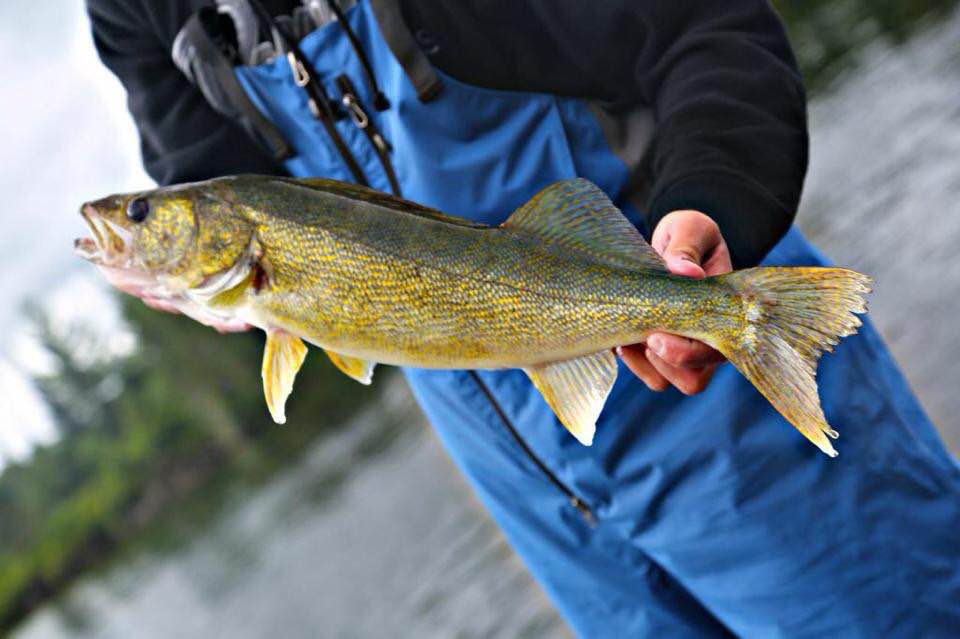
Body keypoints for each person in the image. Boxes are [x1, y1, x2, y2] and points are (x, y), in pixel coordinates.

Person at [87, 0, 960, 635]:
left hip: (703, 375)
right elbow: (204, 167)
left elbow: (704, 29)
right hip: (516, 466)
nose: (125, 221)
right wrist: (205, 283)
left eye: (136, 215)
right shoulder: (132, 12)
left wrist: (712, 206)